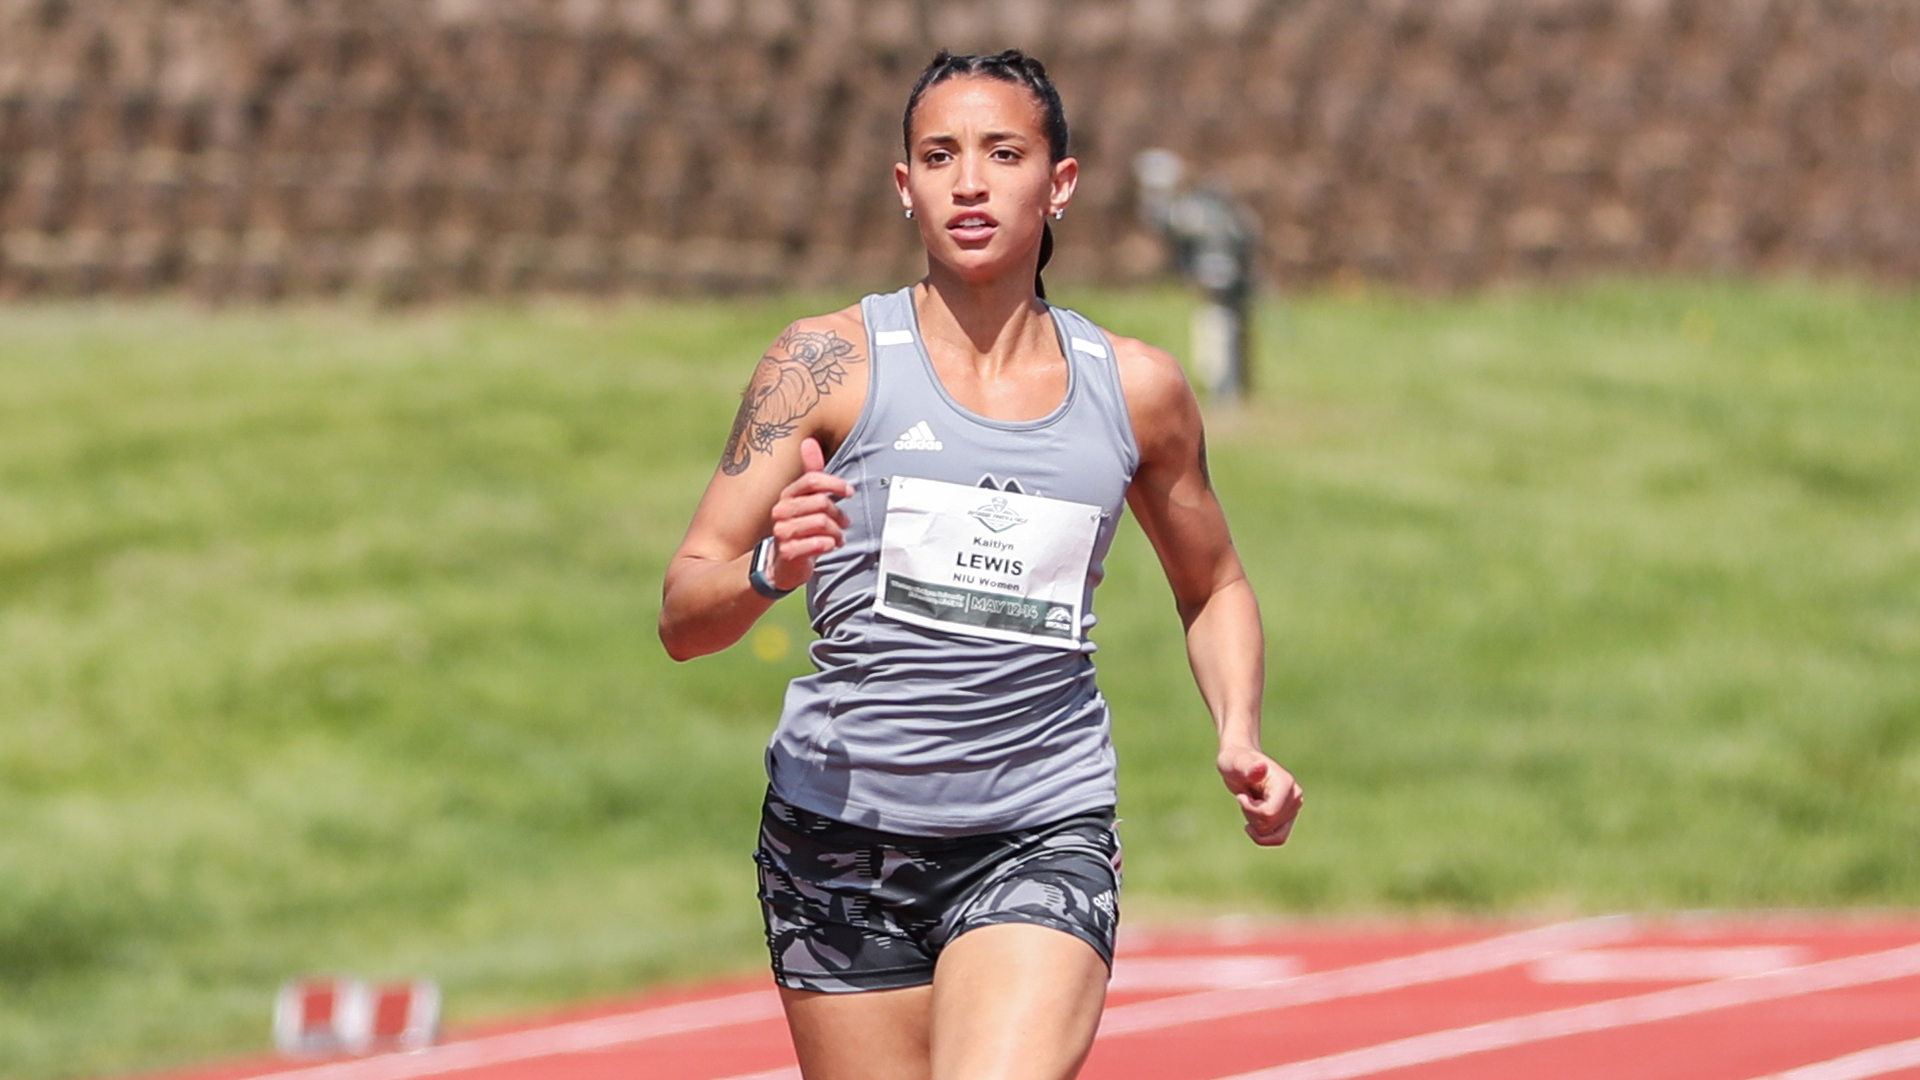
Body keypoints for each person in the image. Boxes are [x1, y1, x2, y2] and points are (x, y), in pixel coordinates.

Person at [659, 48, 1303, 1080]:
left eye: (1003, 154)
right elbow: (684, 614)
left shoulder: (1135, 389)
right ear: (903, 184)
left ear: (1060, 184)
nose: (969, 182)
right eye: (939, 156)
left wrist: (1240, 731)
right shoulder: (824, 364)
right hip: (840, 841)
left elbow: (1213, 582)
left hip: (1038, 829)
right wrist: (772, 566)